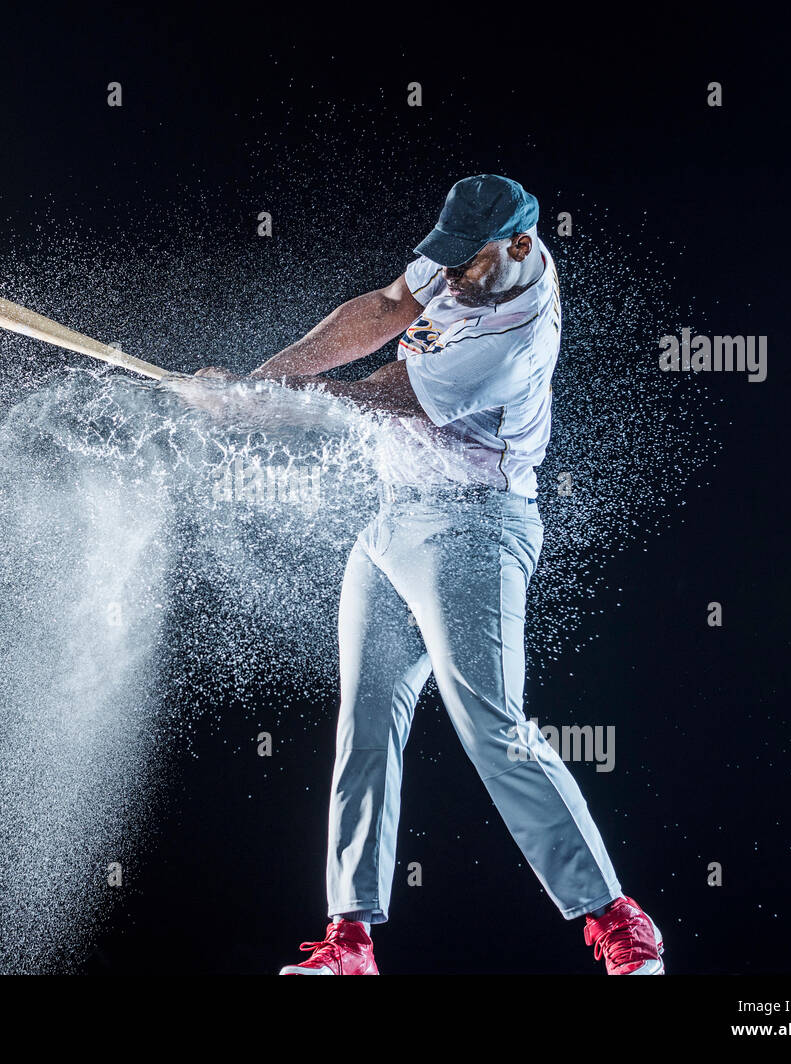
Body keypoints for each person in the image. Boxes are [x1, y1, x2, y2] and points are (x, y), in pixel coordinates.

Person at [193, 175, 664, 975]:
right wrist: (266, 375)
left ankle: (618, 920)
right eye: (441, 258)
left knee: (491, 724)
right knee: (365, 720)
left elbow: (386, 393)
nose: (446, 279)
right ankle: (350, 941)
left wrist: (268, 403)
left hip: (474, 529)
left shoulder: (515, 335)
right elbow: (379, 309)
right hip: (391, 521)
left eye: (464, 263)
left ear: (519, 246)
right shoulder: (467, 257)